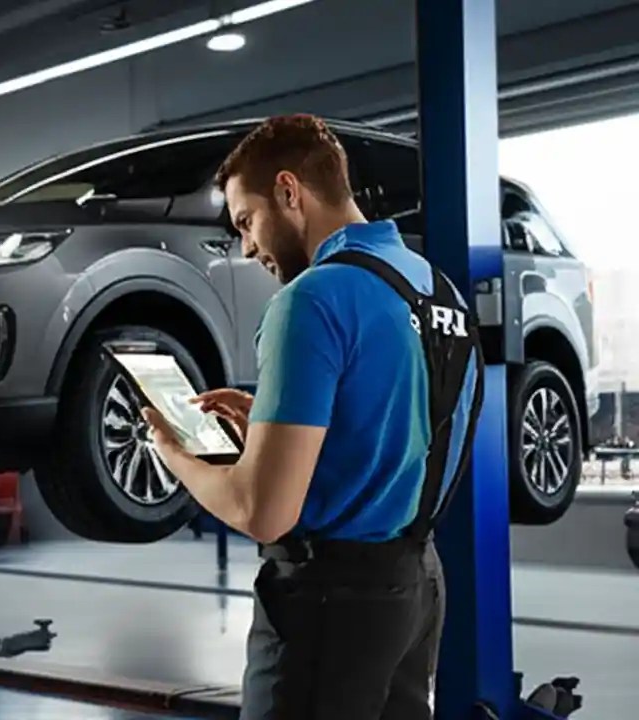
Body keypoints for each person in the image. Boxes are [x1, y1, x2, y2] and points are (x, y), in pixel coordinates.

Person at [143, 114, 482, 720]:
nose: (247, 247)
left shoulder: (311, 299)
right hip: (417, 585)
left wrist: (177, 453)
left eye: (246, 221)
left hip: (329, 600)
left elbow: (264, 511)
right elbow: (403, 431)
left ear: (288, 191)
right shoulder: (439, 291)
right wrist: (272, 424)